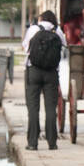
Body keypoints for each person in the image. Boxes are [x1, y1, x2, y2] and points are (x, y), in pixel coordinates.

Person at [21, 9, 65, 151]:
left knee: (33, 108)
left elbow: (25, 47)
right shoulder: (57, 31)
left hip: (33, 71)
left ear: (41, 18)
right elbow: (64, 46)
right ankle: (52, 143)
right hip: (51, 73)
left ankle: (33, 143)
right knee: (51, 108)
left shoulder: (33, 29)